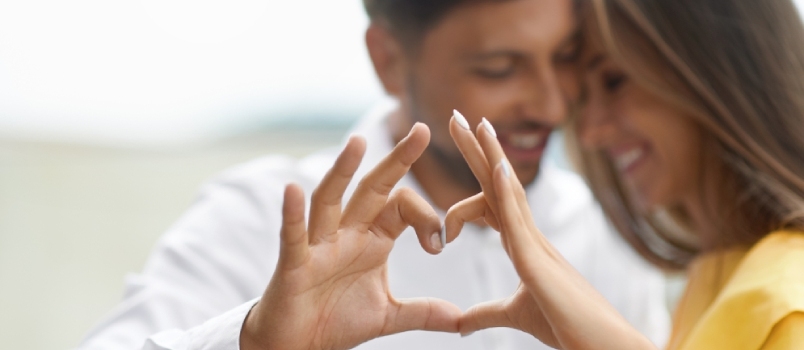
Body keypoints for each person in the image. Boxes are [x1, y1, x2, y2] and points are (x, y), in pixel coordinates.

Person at [78, 0, 670, 349]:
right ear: (388, 59)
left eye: (565, 57)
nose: (550, 103)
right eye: (498, 68)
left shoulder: (612, 232)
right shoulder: (262, 214)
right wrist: (253, 340)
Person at [450, 0, 804, 349]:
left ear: (717, 68)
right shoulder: (719, 279)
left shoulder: (784, 308)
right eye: (585, 96)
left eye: (615, 80)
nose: (589, 132)